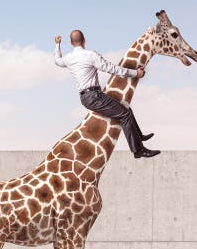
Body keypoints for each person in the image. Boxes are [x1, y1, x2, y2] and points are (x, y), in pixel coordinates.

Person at [54, 29, 160, 159]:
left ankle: (139, 137)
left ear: (71, 43)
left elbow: (57, 61)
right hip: (94, 97)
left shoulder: (69, 58)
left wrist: (57, 44)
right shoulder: (90, 55)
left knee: (125, 107)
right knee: (125, 115)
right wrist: (135, 73)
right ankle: (138, 151)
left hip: (85, 97)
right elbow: (112, 69)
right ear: (84, 40)